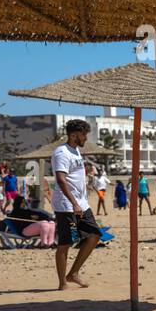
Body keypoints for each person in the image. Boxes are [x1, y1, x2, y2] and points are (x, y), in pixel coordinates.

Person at [51, 119, 100, 290]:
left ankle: (73, 273)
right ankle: (62, 283)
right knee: (66, 243)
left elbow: (74, 177)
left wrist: (85, 190)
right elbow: (61, 179)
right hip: (66, 205)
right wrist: (74, 203)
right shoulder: (61, 153)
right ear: (74, 135)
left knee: (94, 235)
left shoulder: (76, 151)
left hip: (81, 203)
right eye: (83, 134)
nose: (85, 137)